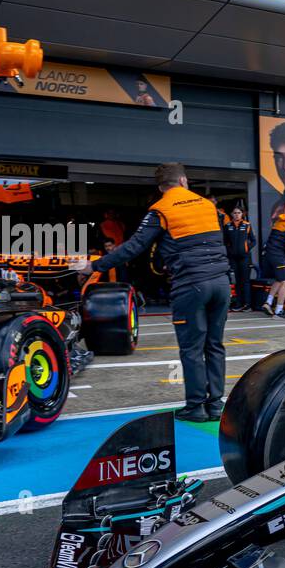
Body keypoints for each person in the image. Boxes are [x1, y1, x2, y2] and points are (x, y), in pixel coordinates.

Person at [87, 163, 232, 422]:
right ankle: (215, 405)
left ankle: (196, 407)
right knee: (214, 345)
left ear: (161, 187)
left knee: (191, 349)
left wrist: (95, 265)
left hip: (191, 285)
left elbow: (133, 247)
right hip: (221, 282)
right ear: (185, 181)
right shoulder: (208, 206)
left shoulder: (160, 210)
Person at [259, 210, 285, 318]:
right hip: (277, 254)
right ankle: (279, 311)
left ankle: (268, 303)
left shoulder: (283, 218)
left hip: (269, 253)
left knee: (279, 279)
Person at [222, 207, 256, 312]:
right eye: (235, 213)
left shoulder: (247, 225)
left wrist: (246, 249)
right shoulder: (227, 226)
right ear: (232, 214)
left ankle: (248, 305)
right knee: (236, 281)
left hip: (244, 257)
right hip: (233, 258)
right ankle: (238, 304)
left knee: (245, 281)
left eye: (239, 213)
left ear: (242, 214)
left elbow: (254, 241)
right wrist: (229, 251)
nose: (237, 215)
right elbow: (224, 241)